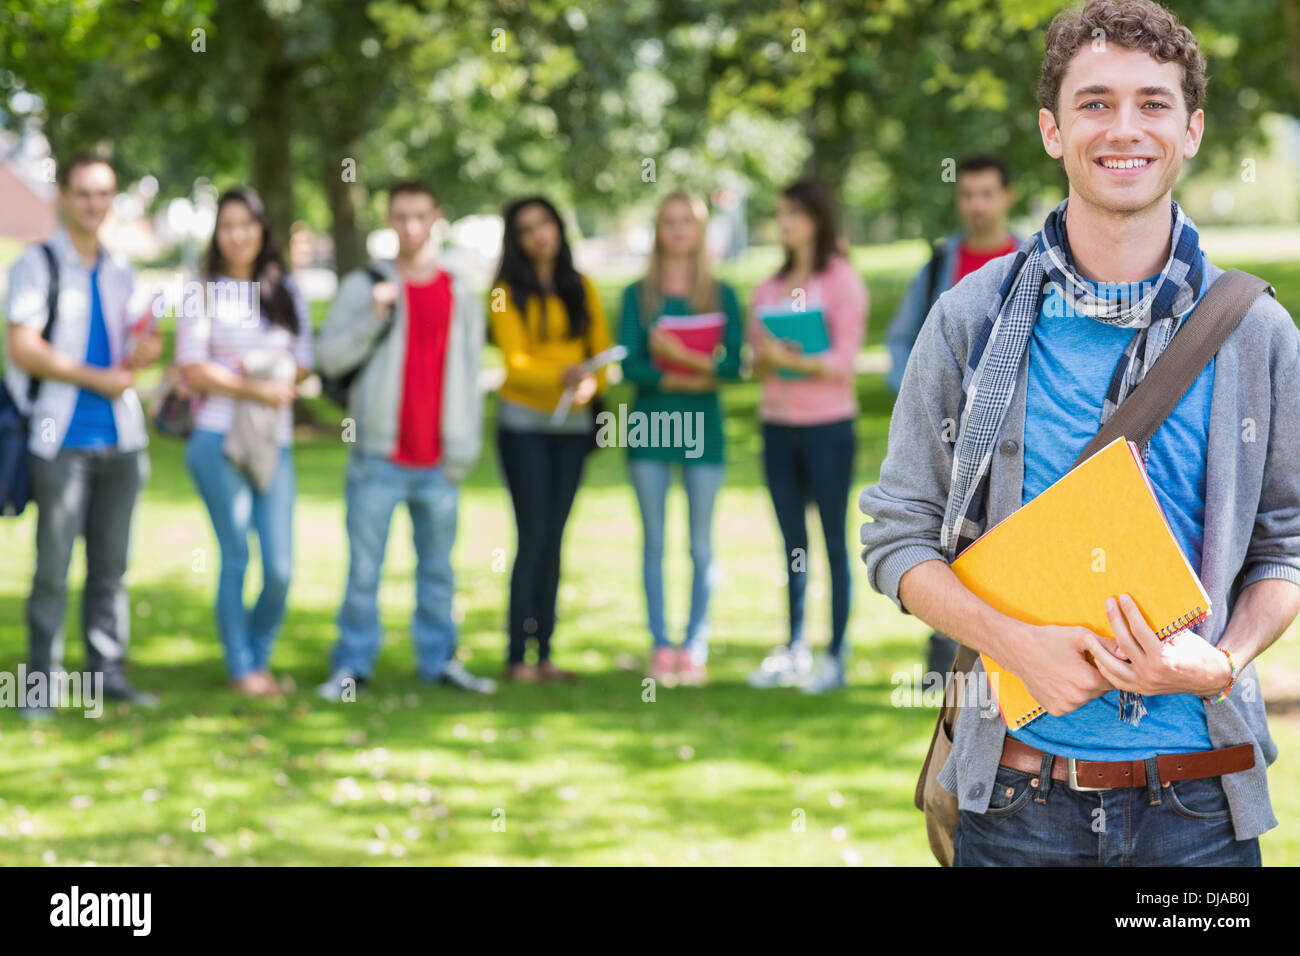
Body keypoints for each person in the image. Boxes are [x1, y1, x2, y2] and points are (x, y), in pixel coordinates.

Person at [861, 0, 1300, 866]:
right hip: (1018, 799)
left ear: (1192, 129)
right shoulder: (970, 320)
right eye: (1095, 103)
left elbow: (1288, 543)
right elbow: (897, 536)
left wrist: (1225, 660)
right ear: (1053, 131)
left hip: (1200, 810)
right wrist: (1012, 642)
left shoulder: (1255, 333)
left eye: (1153, 103)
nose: (1123, 128)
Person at [315, 180, 494, 698]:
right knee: (365, 571)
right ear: (388, 221)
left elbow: (469, 370)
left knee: (438, 570)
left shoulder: (460, 291)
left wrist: (465, 443)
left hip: (440, 456)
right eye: (400, 217)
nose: (411, 227)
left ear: (436, 217)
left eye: (420, 216)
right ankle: (351, 665)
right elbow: (328, 357)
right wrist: (373, 318)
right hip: (379, 452)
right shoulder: (364, 284)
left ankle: (440, 661)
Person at [4, 152, 162, 715]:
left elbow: (135, 347)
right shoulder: (37, 264)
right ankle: (39, 688)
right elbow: (22, 347)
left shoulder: (123, 270)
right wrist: (95, 376)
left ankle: (107, 677)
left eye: (103, 194)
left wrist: (145, 351)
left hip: (122, 438)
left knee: (112, 569)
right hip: (60, 438)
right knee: (52, 569)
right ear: (63, 198)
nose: (94, 204)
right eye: (83, 193)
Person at [883, 155, 1022, 688]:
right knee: (940, 538)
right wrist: (920, 400)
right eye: (967, 194)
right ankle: (947, 661)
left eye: (986, 193)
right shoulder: (942, 261)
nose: (976, 205)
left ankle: (1006, 658)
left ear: (1006, 196)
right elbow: (901, 340)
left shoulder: (1034, 260)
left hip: (1011, 439)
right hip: (950, 437)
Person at [176, 187, 313, 697]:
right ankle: (242, 669)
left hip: (273, 442)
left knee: (280, 566)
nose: (237, 235)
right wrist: (255, 384)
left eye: (246, 225)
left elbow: (303, 360)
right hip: (217, 438)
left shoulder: (286, 289)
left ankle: (257, 657)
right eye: (227, 225)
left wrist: (256, 370)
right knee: (236, 556)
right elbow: (194, 369)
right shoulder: (202, 290)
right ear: (217, 233)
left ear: (262, 230)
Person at [746, 180, 869, 693]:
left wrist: (790, 358)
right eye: (781, 214)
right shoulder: (768, 288)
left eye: (795, 213)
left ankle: (835, 655)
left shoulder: (841, 280)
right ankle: (793, 647)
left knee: (832, 543)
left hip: (828, 429)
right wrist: (767, 361)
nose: (786, 223)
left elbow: (843, 362)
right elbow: (756, 361)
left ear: (817, 219)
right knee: (791, 543)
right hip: (777, 427)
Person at [618, 192, 743, 686]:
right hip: (650, 430)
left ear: (700, 230)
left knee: (700, 545)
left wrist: (679, 358)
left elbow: (734, 365)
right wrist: (691, 376)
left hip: (704, 433)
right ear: (656, 229)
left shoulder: (722, 294)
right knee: (653, 542)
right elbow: (630, 365)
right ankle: (659, 644)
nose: (676, 232)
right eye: (667, 222)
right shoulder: (637, 295)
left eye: (686, 223)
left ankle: (694, 645)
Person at [490, 196, 612, 683]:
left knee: (556, 537)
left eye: (545, 224)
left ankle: (546, 655)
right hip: (523, 428)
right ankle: (518, 655)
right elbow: (514, 363)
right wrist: (563, 375)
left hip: (572, 429)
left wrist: (590, 383)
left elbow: (601, 353)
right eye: (526, 229)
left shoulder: (581, 286)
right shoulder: (502, 292)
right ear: (515, 240)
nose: (539, 235)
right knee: (532, 536)